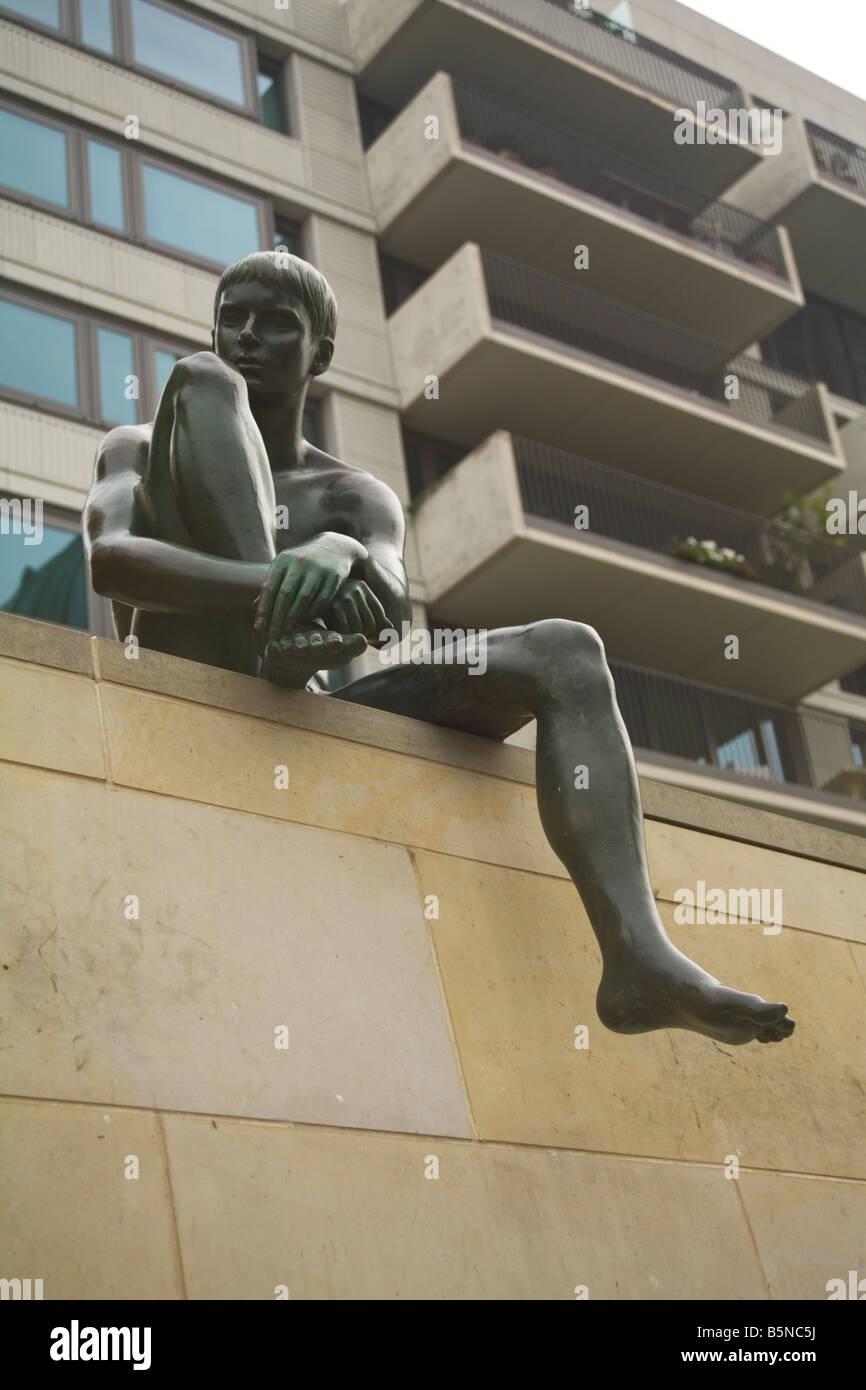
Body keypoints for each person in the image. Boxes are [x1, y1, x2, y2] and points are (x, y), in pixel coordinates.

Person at [84, 250, 795, 1048]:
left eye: (276, 323)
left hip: (303, 704)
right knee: (200, 380)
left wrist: (347, 558)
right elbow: (111, 562)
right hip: (197, 684)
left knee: (566, 649)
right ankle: (273, 621)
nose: (246, 336)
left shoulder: (352, 495)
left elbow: (387, 602)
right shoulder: (140, 445)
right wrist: (276, 579)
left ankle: (639, 956)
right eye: (233, 318)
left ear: (319, 352)